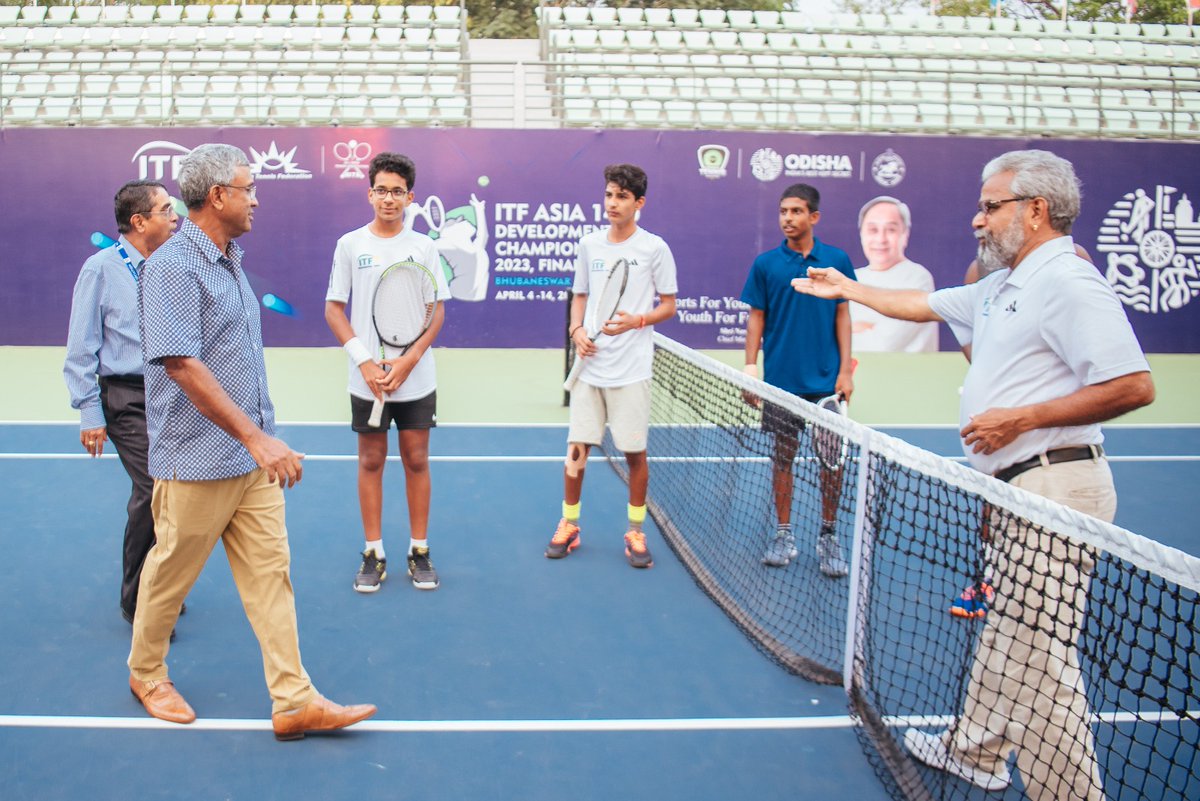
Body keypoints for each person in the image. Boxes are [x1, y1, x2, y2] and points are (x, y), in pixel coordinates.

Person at [792, 149, 1155, 800]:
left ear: (1036, 210)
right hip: (1016, 489)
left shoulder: (1068, 281)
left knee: (1042, 664)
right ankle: (977, 750)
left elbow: (1133, 384)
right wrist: (847, 288)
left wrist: (1023, 419)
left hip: (1055, 490)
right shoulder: (1000, 285)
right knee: (1012, 630)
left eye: (991, 206)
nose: (977, 218)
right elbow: (918, 303)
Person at [129, 143, 375, 740]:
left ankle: (293, 700)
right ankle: (146, 673)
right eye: (248, 188)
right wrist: (259, 439)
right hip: (196, 459)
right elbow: (182, 365)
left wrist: (259, 440)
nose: (256, 199)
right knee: (169, 574)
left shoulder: (230, 260)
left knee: (271, 575)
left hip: (250, 460)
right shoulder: (172, 266)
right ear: (218, 196)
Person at [324, 152, 450, 593]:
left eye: (398, 191)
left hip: (416, 377)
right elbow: (334, 309)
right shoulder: (350, 244)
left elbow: (436, 311)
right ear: (370, 194)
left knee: (416, 459)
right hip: (368, 379)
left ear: (410, 197)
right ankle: (373, 552)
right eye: (382, 190)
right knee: (371, 460)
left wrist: (408, 360)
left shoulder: (424, 247)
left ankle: (419, 549)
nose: (389, 199)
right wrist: (363, 359)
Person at [547, 163, 677, 569]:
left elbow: (669, 305)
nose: (613, 203)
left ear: (639, 203)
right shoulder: (589, 245)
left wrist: (638, 320)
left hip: (631, 371)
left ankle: (636, 531)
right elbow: (580, 295)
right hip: (591, 369)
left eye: (622, 196)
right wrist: (576, 330)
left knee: (635, 454)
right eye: (609, 194)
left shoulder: (654, 248)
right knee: (576, 450)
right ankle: (569, 524)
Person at [64, 181, 179, 628]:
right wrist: (89, 413)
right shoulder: (100, 269)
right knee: (154, 488)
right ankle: (140, 601)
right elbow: (81, 348)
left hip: (172, 393)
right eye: (166, 210)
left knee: (174, 493)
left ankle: (162, 587)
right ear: (139, 222)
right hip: (126, 397)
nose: (175, 217)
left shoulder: (172, 265)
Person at [741, 183, 855, 576]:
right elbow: (756, 317)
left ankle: (828, 535)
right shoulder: (766, 264)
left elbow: (843, 315)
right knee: (783, 457)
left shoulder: (836, 261)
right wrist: (751, 369)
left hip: (826, 384)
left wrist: (845, 370)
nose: (788, 218)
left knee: (831, 463)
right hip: (781, 382)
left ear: (814, 217)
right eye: (783, 211)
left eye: (796, 211)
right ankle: (784, 534)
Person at [849, 196, 938, 352]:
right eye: (873, 230)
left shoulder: (918, 278)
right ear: (861, 234)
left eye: (891, 230)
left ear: (905, 234)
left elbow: (884, 345)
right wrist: (867, 329)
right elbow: (828, 341)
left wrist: (849, 330)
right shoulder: (851, 279)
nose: (881, 239)